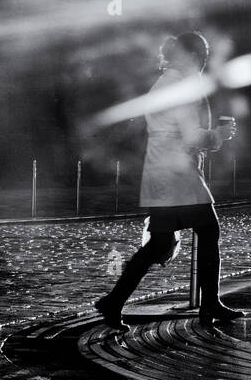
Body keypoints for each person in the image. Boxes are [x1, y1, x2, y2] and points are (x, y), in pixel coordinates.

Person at [95, 32, 243, 330]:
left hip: (164, 170)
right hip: (176, 172)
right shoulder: (180, 85)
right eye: (201, 56)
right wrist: (218, 136)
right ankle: (209, 303)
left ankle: (113, 301)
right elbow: (191, 134)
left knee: (160, 243)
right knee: (208, 229)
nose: (203, 63)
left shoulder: (166, 82)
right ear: (191, 56)